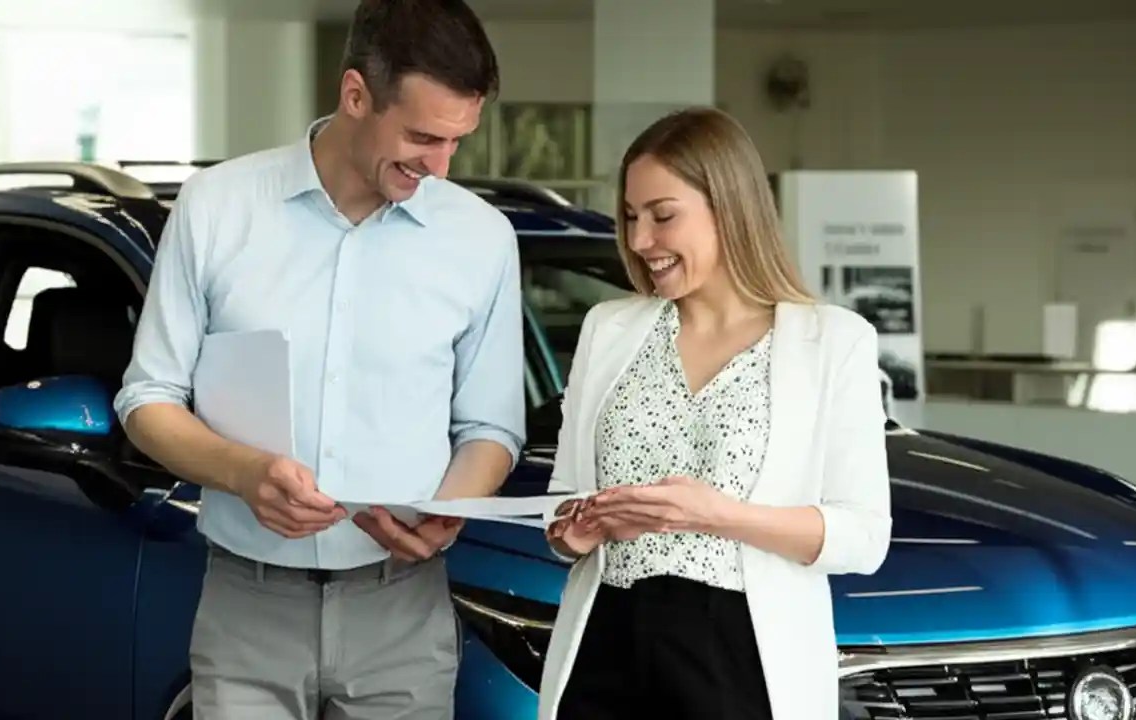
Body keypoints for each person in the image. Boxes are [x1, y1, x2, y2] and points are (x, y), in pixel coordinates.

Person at [113, 1, 524, 717]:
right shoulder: (216, 208)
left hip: (404, 606)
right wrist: (245, 472)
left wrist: (451, 509)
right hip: (247, 607)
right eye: (424, 136)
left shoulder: (482, 239)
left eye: (458, 141)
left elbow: (491, 426)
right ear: (356, 94)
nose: (441, 165)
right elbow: (147, 399)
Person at [535, 107, 892, 720]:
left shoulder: (835, 341)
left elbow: (864, 537)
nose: (642, 240)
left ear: (729, 207)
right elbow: (562, 500)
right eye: (630, 217)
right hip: (607, 643)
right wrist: (574, 532)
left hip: (740, 656)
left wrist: (720, 516)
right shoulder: (608, 329)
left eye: (662, 216)